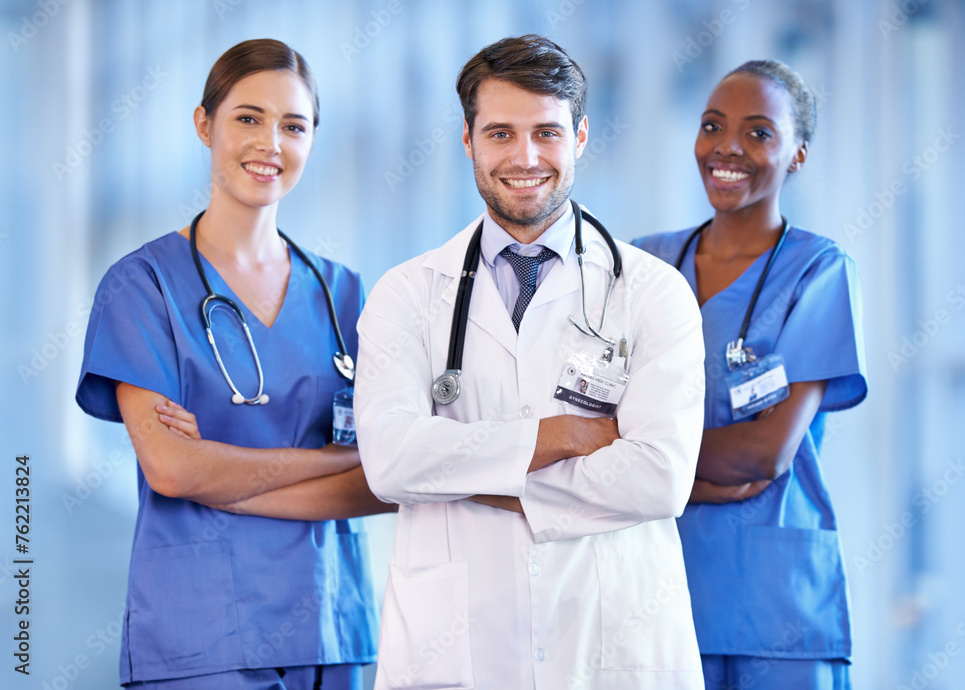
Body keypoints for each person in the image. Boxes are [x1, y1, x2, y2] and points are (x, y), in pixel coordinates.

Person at [355, 35, 706, 690]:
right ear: (467, 140)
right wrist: (558, 438)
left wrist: (476, 477)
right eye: (501, 133)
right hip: (458, 648)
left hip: (612, 640)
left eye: (547, 132)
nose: (524, 157)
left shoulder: (652, 292)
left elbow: (659, 478)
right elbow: (391, 461)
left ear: (580, 137)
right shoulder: (406, 294)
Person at [76, 39, 393, 689]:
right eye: (248, 117)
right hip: (198, 634)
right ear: (204, 124)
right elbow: (171, 467)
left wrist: (217, 477)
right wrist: (337, 461)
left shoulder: (347, 297)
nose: (270, 142)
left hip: (331, 627)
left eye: (293, 125)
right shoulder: (144, 287)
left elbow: (387, 480)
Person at [634, 60, 867, 690]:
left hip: (779, 603)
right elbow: (593, 432)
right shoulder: (643, 265)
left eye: (759, 132)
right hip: (659, 590)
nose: (727, 147)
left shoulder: (820, 270)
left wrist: (647, 471)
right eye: (713, 126)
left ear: (797, 156)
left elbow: (766, 454)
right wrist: (687, 480)